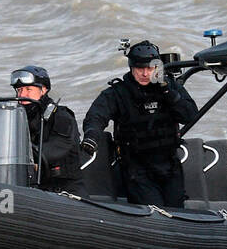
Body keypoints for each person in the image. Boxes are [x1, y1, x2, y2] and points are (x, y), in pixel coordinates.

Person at [80, 40, 198, 208]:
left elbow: (190, 115)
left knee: (176, 211)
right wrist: (91, 136)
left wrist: (168, 92)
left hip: (169, 165)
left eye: (149, 69)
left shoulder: (169, 87)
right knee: (155, 212)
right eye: (140, 69)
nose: (144, 73)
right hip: (137, 168)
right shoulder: (118, 93)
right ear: (131, 68)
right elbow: (96, 116)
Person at [10, 64, 85, 195]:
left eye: (28, 89)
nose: (22, 95)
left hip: (64, 188)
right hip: (35, 187)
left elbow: (60, 145)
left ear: (43, 90)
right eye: (19, 90)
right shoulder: (18, 118)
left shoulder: (62, 116)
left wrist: (26, 155)